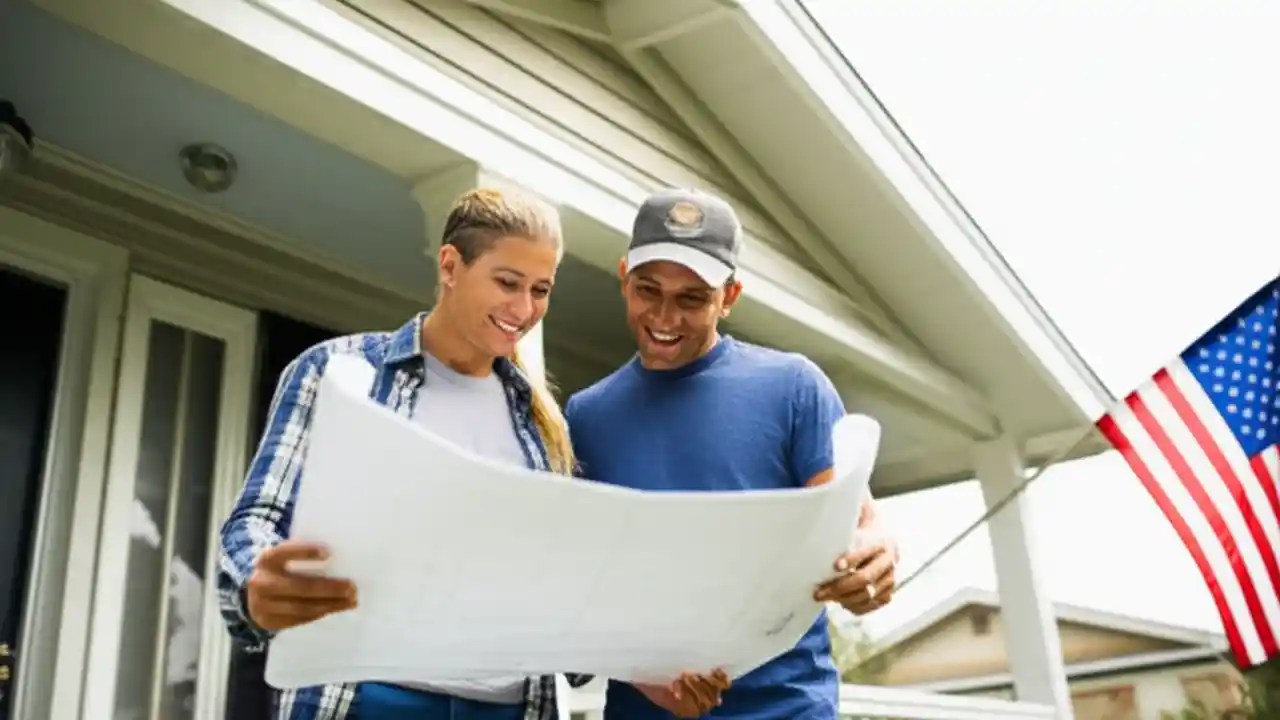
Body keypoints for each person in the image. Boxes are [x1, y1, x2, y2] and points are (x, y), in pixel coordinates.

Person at [216, 187, 728, 719]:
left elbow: (561, 597)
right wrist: (257, 581)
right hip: (371, 696)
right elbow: (256, 519)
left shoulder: (541, 423)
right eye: (507, 283)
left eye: (541, 290)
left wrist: (647, 671)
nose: (524, 309)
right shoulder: (340, 372)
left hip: (510, 705)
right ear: (451, 266)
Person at [565, 188, 899, 719]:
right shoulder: (584, 417)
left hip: (786, 709)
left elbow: (860, 520)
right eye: (647, 290)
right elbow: (578, 584)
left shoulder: (793, 387)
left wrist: (876, 556)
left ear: (731, 295)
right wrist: (645, 677)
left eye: (692, 298)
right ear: (623, 275)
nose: (664, 316)